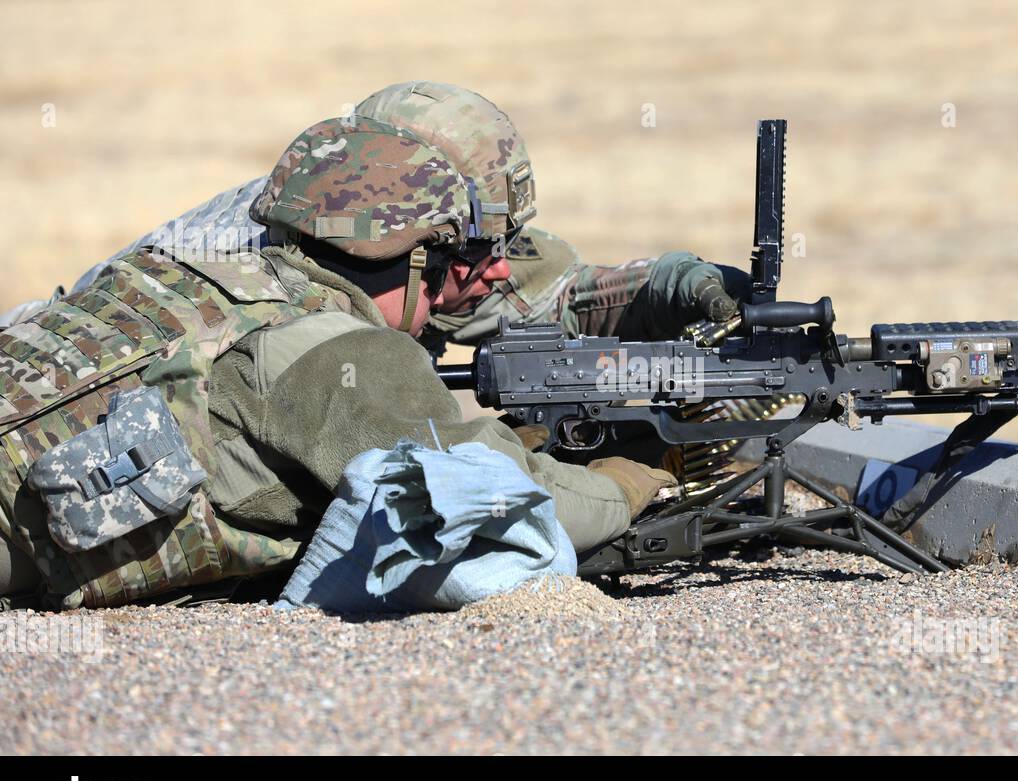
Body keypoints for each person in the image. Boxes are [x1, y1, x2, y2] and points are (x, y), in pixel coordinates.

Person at [0, 113, 708, 609]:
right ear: (416, 260)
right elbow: (507, 499)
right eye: (455, 266)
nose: (479, 282)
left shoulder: (200, 273)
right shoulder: (344, 352)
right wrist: (631, 477)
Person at [1, 82, 745, 354]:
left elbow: (552, 300)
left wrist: (679, 287)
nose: (492, 267)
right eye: (476, 246)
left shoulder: (400, 234)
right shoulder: (269, 270)